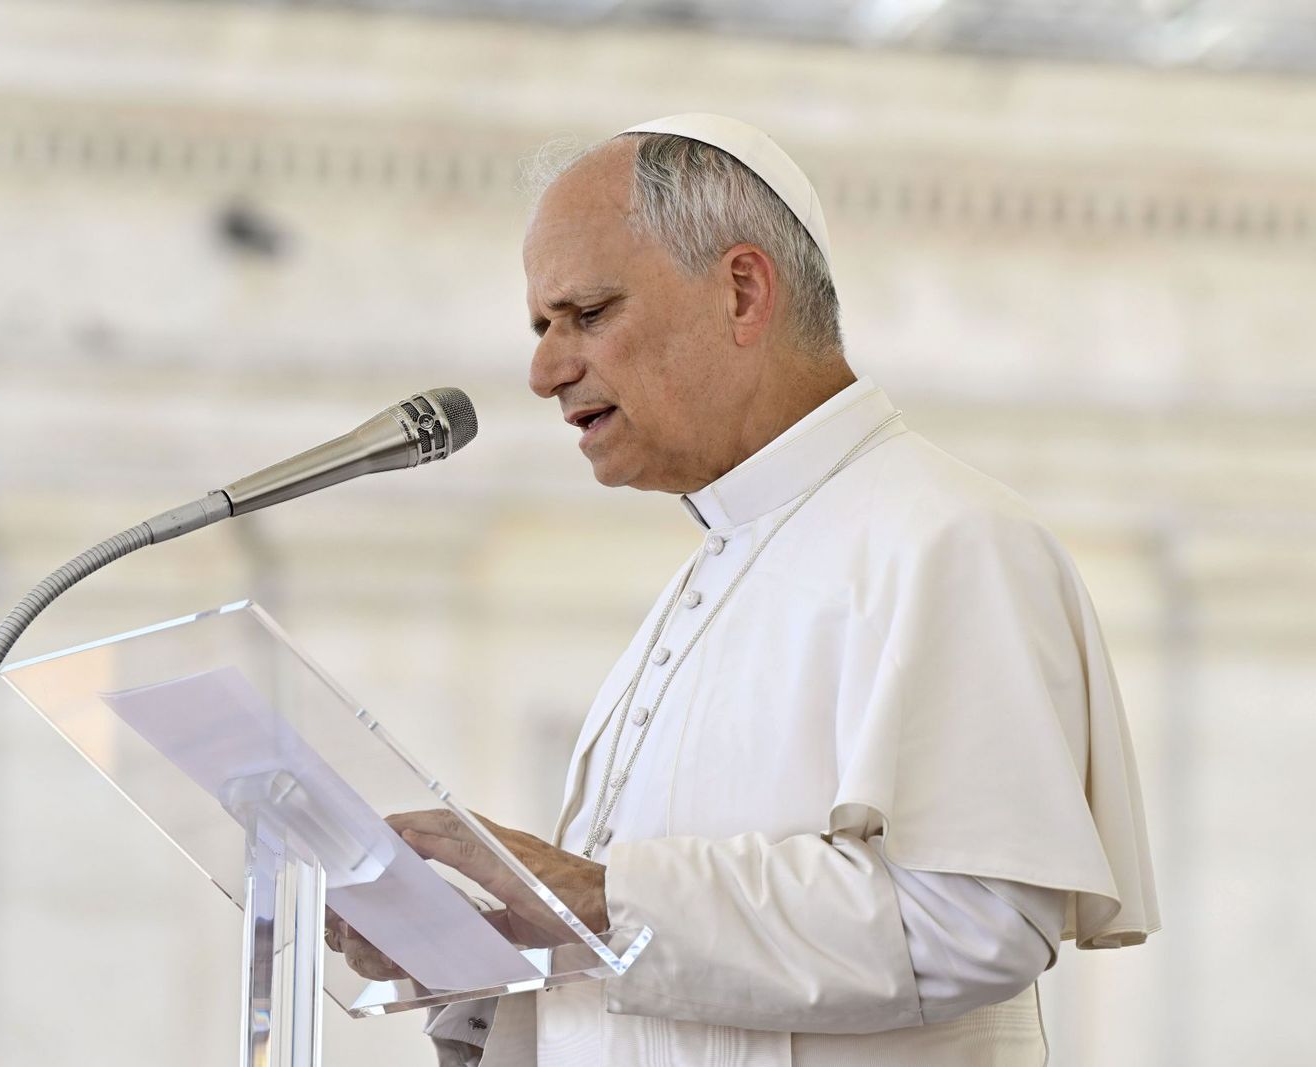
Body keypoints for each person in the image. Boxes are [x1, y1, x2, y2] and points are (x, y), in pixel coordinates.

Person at [348, 113, 1159, 1066]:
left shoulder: (949, 537)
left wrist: (596, 894)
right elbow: (663, 968)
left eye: (588, 314)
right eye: (541, 326)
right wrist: (486, 955)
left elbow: (977, 923)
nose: (544, 370)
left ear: (741, 291)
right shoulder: (715, 565)